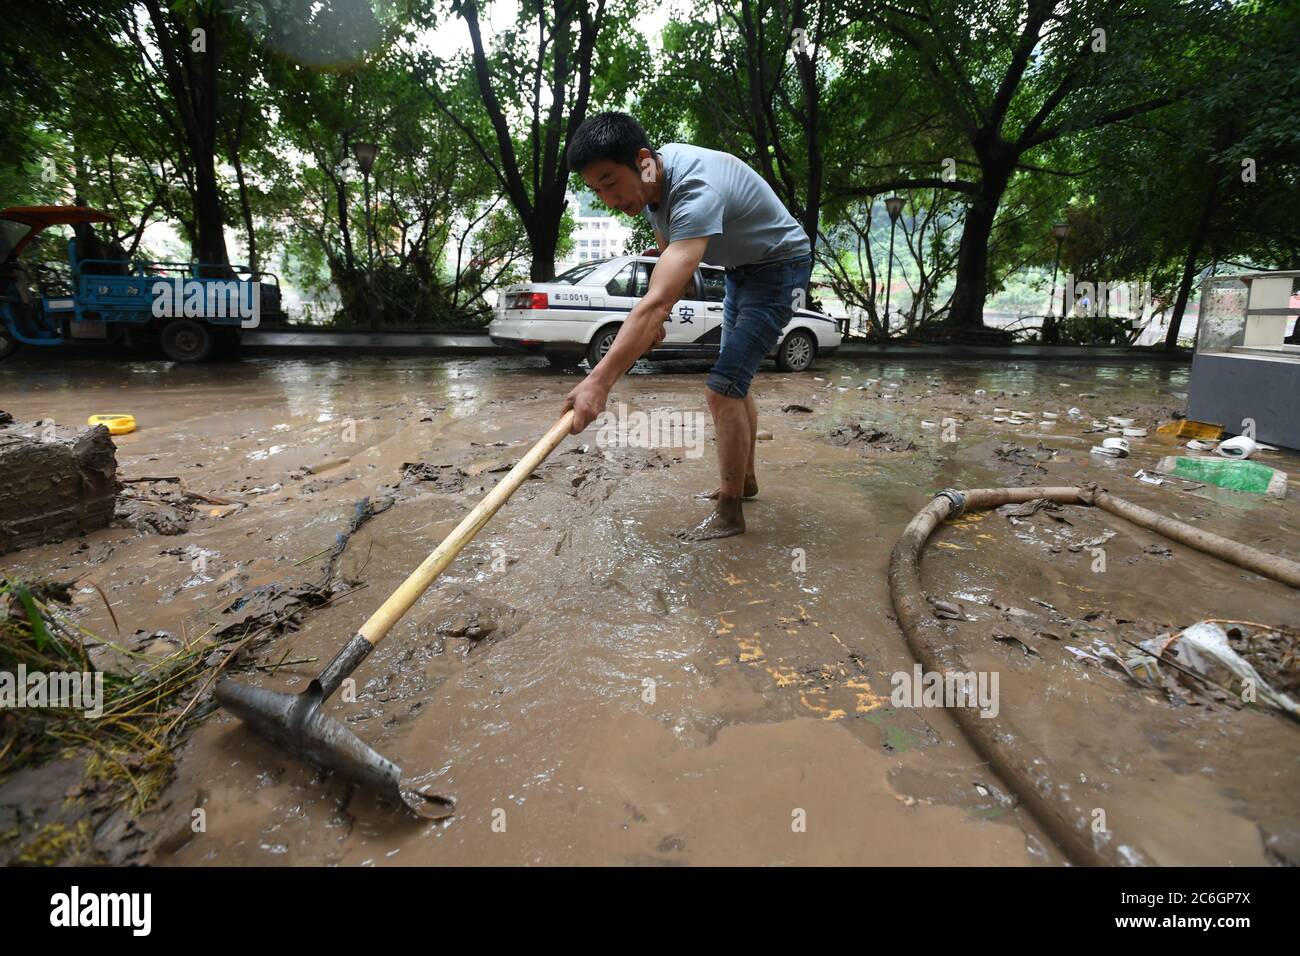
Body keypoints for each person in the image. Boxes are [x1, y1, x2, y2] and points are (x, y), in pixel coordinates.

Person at [561, 111, 813, 540]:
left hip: (780, 269)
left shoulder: (694, 188)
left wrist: (598, 381)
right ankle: (744, 482)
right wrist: (659, 317)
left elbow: (656, 298)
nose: (608, 199)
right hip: (741, 271)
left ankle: (730, 512)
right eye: (596, 190)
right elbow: (669, 264)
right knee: (736, 385)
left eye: (609, 182)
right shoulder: (652, 188)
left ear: (641, 161)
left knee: (722, 389)